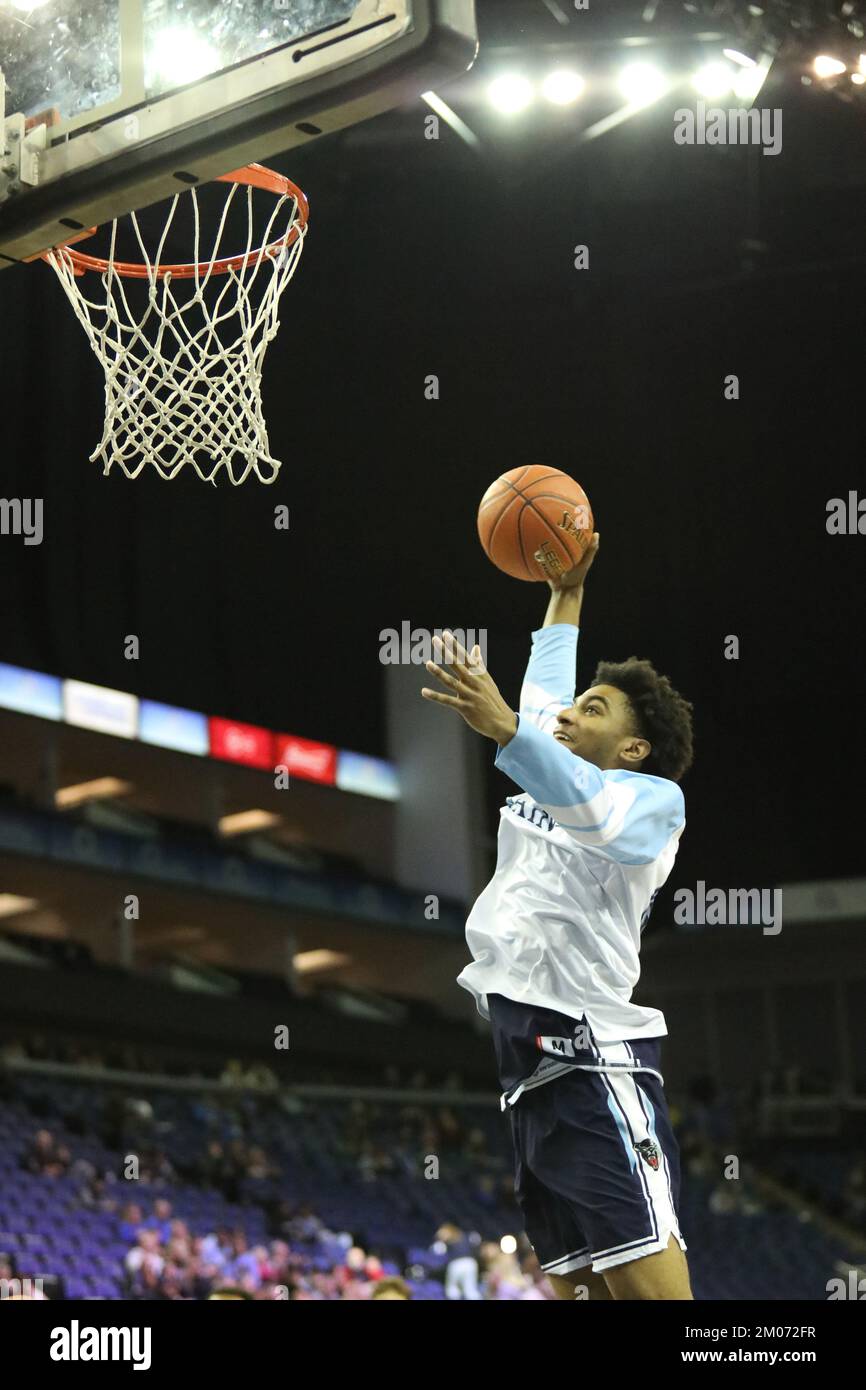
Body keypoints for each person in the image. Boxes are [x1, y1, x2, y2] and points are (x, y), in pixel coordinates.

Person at [421, 534, 695, 1301]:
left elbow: (591, 807)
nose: (568, 714)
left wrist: (510, 730)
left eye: (593, 709)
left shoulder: (653, 803)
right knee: (581, 1291)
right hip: (527, 1064)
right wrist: (565, 592)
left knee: (649, 1285)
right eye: (574, 705)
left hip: (590, 1046)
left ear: (634, 747)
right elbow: (546, 681)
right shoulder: (558, 754)